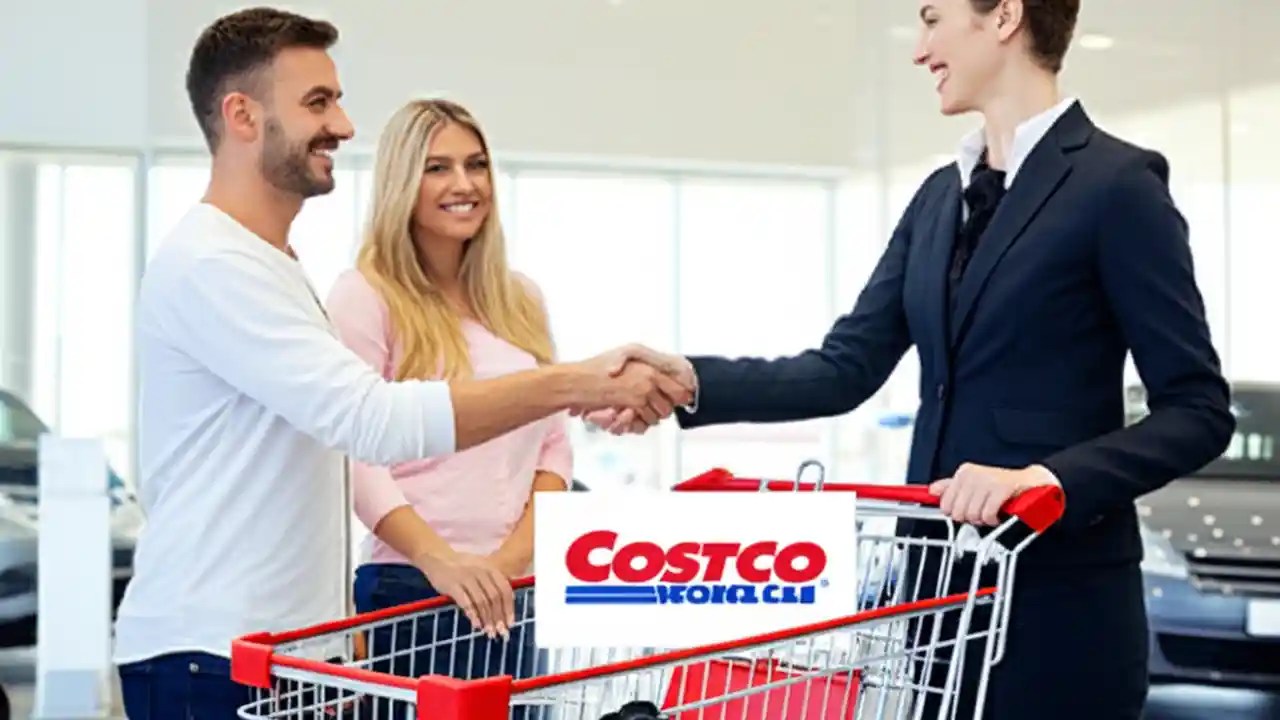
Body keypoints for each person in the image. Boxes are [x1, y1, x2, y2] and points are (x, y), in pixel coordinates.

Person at [588, 0, 1235, 718]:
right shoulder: (938, 198)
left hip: (1059, 610)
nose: (919, 49)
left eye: (932, 19)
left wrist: (1046, 478)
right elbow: (845, 367)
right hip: (937, 607)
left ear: (1005, 16)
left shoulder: (1118, 186)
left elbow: (1198, 411)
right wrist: (689, 382)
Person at [113, 8, 690, 719]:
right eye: (317, 102)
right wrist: (576, 381)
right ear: (242, 115)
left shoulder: (274, 267)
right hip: (212, 655)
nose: (346, 126)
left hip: (282, 654)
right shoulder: (214, 265)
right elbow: (371, 422)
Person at [324, 98, 567, 717]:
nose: (464, 185)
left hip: (514, 589)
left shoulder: (521, 301)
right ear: (402, 181)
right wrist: (442, 561)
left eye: (476, 165)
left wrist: (506, 565)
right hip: (411, 586)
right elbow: (352, 453)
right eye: (438, 168)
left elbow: (554, 448)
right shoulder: (365, 295)